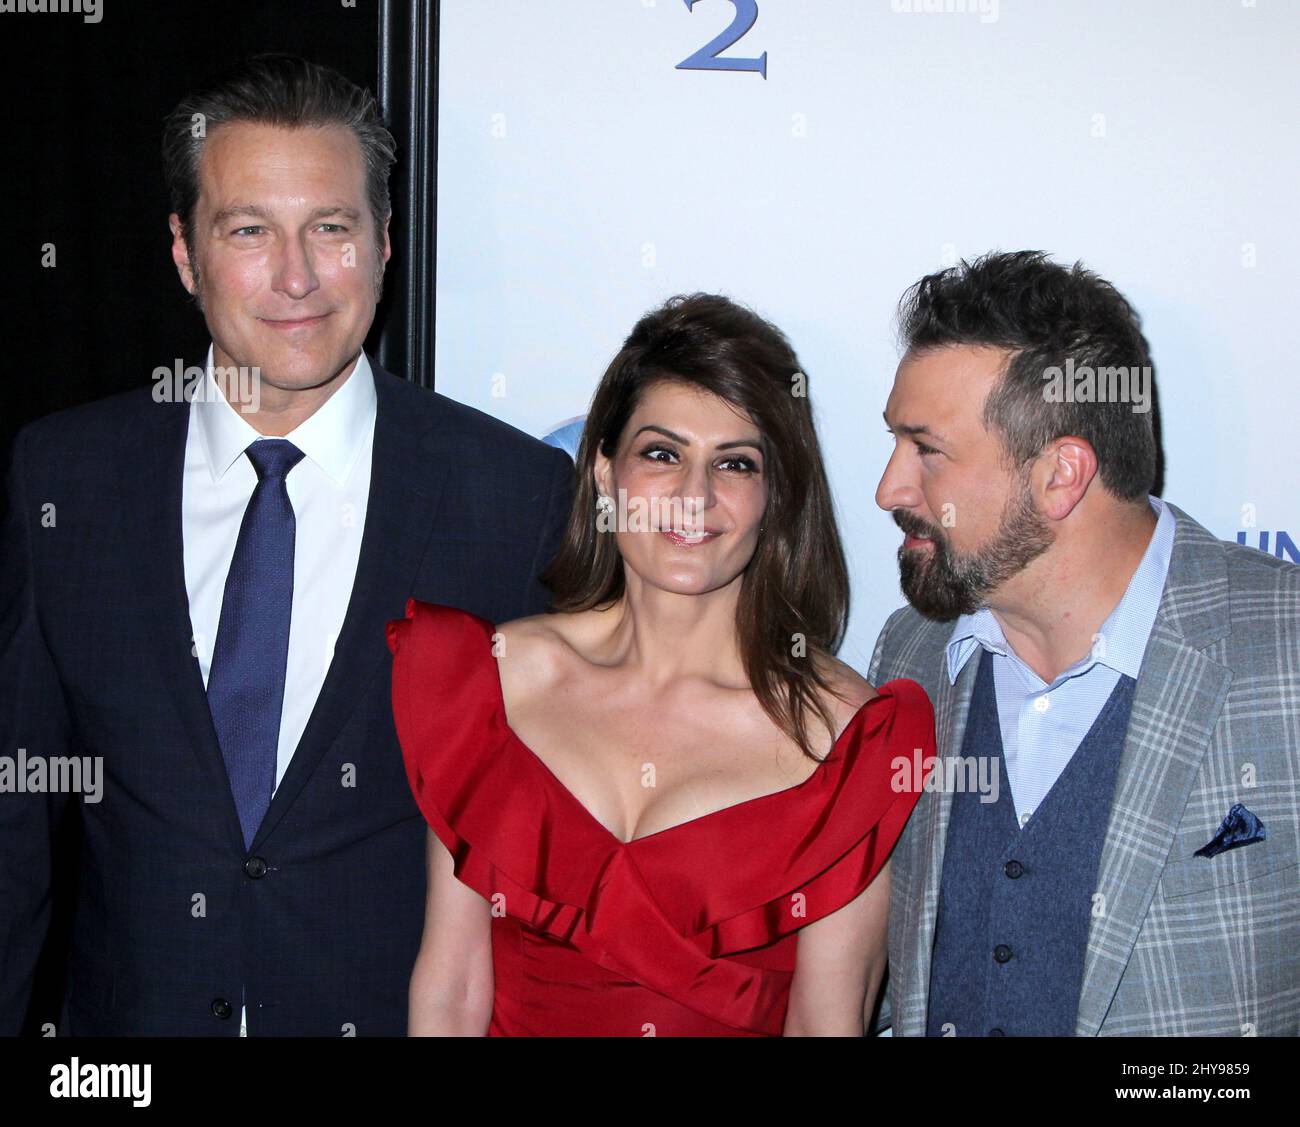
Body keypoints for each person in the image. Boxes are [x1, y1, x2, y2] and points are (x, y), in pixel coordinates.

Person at [0, 54, 572, 1036]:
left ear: (386, 243)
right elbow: (13, 828)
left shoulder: (512, 496)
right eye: (250, 230)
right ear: (185, 254)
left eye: (332, 228)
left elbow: (549, 855)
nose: (296, 276)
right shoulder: (69, 478)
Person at [388, 292, 936, 1036]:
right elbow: (450, 992)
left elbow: (824, 1027)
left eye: (734, 463)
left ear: (776, 497)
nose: (693, 495)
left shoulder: (847, 740)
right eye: (661, 453)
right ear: (606, 475)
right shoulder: (493, 681)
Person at [870, 250, 1299, 1036]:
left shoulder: (1286, 651)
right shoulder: (910, 654)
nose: (889, 489)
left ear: (1062, 474)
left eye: (925, 449)